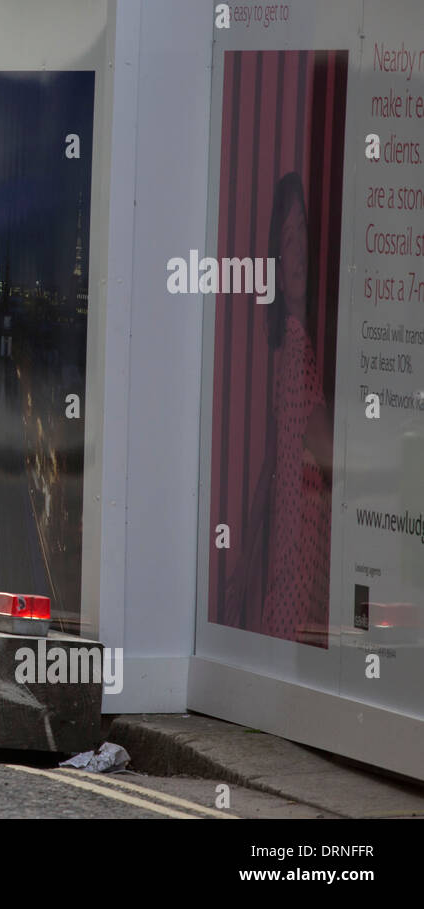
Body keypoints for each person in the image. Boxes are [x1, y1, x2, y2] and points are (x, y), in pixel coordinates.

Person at [224, 172, 332, 646]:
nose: (299, 248)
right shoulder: (298, 350)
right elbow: (332, 454)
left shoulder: (297, 346)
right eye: (288, 238)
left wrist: (247, 558)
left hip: (292, 567)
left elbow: (270, 462)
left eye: (304, 230)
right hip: (302, 565)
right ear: (277, 259)